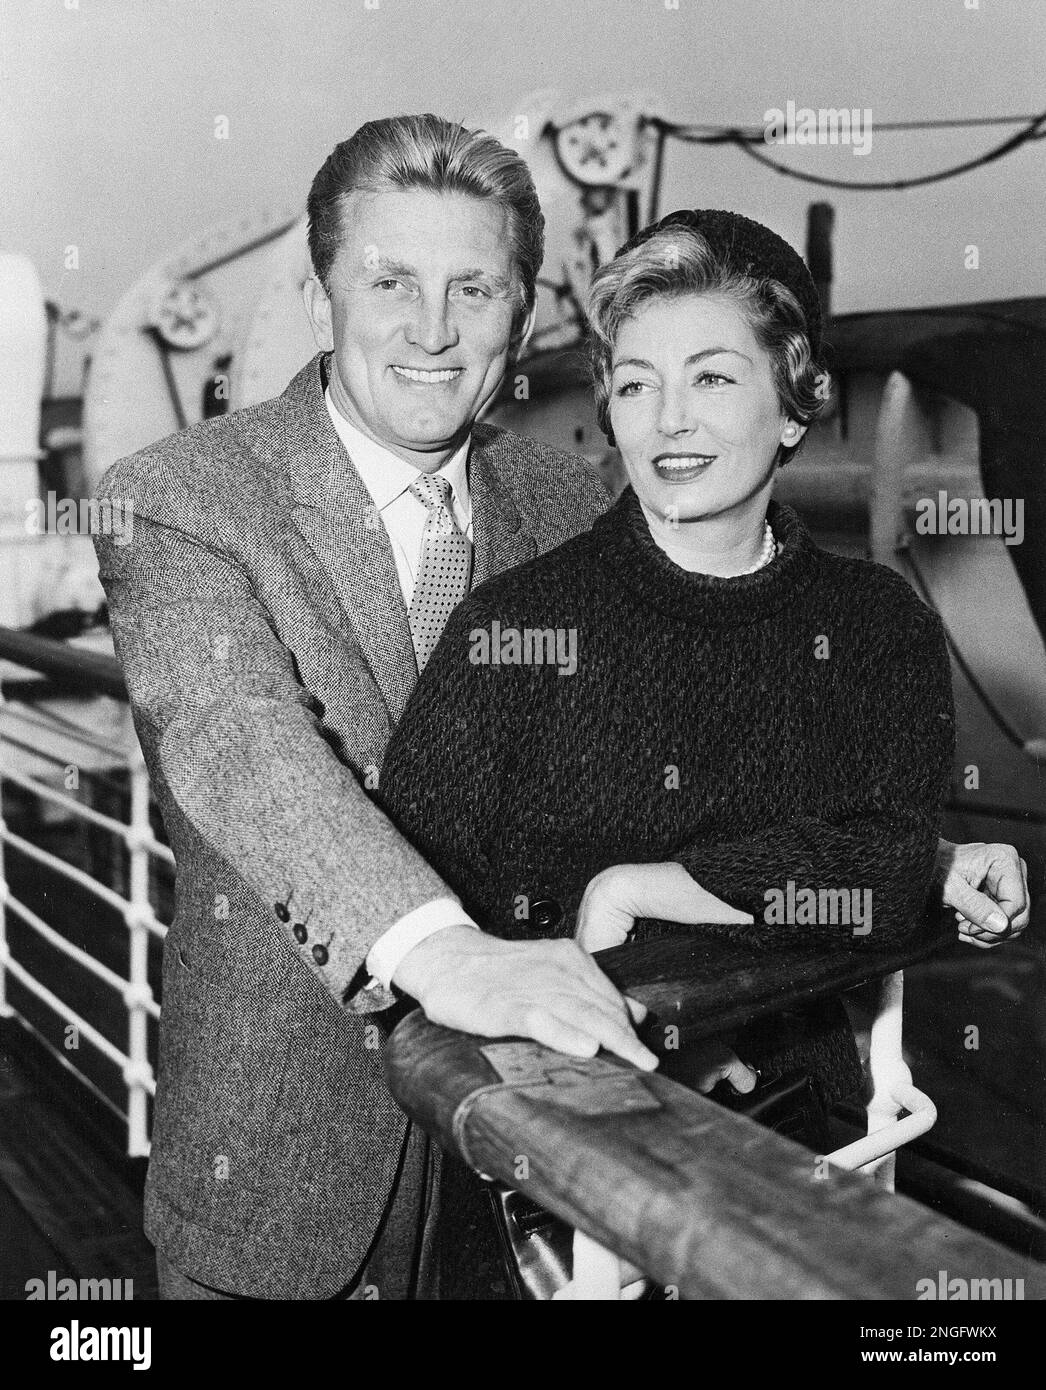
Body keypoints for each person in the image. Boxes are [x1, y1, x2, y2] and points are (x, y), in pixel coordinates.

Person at [93, 116, 1029, 1301]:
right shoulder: (179, 497)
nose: (431, 331)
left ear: (521, 315)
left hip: (546, 1138)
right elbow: (232, 735)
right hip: (296, 1151)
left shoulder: (562, 494)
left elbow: (698, 733)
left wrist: (908, 854)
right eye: (389, 281)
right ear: (324, 301)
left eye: (474, 287)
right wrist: (442, 950)